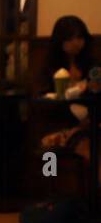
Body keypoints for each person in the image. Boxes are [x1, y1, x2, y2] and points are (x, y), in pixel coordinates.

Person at [39, 15, 97, 156]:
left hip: (90, 123)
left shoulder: (90, 65)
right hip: (59, 125)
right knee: (51, 157)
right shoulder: (51, 67)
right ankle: (51, 173)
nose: (76, 43)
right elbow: (45, 101)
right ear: (60, 41)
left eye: (80, 38)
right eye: (70, 39)